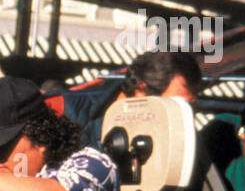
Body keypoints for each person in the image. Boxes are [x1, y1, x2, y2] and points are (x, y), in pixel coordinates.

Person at [48, 50, 204, 148]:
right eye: (175, 105)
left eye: (189, 107)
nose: (182, 116)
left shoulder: (181, 137)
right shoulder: (65, 112)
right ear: (140, 92)